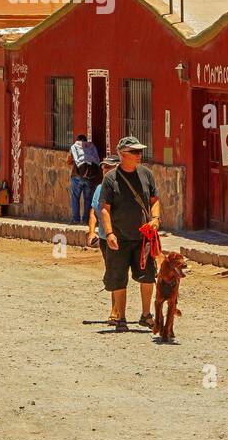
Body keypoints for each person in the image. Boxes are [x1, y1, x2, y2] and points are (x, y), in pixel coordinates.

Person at [98, 136, 161, 329]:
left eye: (140, 151)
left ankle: (146, 315)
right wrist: (109, 234)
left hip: (143, 238)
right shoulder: (110, 178)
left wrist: (156, 219)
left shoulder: (146, 174)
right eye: (135, 152)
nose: (139, 155)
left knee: (148, 276)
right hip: (119, 237)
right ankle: (121, 318)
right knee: (118, 277)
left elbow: (154, 200)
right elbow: (104, 208)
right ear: (123, 154)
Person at [86, 154, 121, 322]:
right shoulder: (100, 188)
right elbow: (93, 212)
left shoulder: (122, 187)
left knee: (116, 271)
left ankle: (116, 311)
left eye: (109, 167)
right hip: (104, 238)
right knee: (112, 270)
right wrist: (91, 232)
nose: (105, 170)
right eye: (104, 167)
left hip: (122, 235)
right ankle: (116, 310)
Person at [69, 133, 100, 225]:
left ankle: (76, 219)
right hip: (88, 177)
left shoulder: (75, 147)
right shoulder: (90, 148)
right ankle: (86, 219)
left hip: (76, 176)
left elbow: (68, 160)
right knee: (88, 199)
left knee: (75, 197)